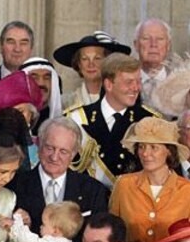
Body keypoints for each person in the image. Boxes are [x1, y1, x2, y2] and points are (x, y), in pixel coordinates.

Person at [109, 117, 190, 242]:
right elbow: (111, 234)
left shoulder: (189, 190)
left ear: (169, 151)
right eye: (142, 147)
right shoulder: (124, 185)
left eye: (154, 147)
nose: (146, 154)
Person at [6, 117, 110, 242]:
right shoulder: (14, 185)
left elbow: (98, 240)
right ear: (39, 145)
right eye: (49, 148)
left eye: (63, 151)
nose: (54, 157)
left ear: (74, 154)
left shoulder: (93, 190)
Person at [65, 54, 157, 189]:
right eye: (129, 82)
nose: (136, 88)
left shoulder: (149, 121)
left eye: (138, 81)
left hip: (132, 202)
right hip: (87, 203)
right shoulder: (76, 118)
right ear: (108, 85)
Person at [54, 31, 131, 111]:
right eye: (85, 59)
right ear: (79, 64)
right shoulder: (66, 103)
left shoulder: (121, 100)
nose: (91, 64)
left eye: (97, 58)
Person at [133, 18, 173, 103]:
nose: (153, 44)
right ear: (136, 45)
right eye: (146, 38)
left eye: (160, 39)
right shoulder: (123, 82)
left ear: (168, 45)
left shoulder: (180, 83)